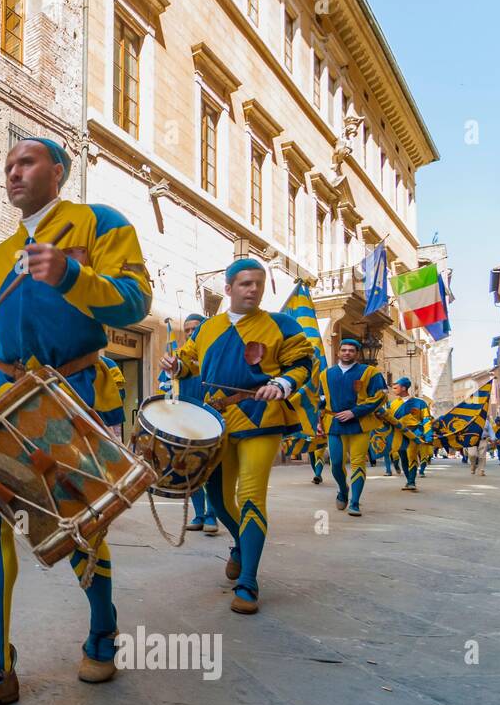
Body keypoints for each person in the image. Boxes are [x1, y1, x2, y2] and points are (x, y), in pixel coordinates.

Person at [0, 136, 152, 705]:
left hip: (70, 392)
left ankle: (102, 629)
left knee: (79, 522)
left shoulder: (100, 223)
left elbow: (135, 302)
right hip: (5, 402)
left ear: (60, 170)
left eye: (25, 162)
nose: (12, 173)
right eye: (6, 166)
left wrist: (72, 275)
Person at [162, 257, 315, 614]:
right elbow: (190, 361)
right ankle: (241, 546)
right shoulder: (207, 328)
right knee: (217, 498)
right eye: (245, 283)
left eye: (259, 283)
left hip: (262, 417)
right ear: (228, 289)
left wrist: (283, 382)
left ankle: (248, 581)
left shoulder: (282, 324)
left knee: (250, 496)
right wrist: (176, 365)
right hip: (215, 420)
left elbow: (303, 363)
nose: (254, 289)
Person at [161, 313, 219, 534]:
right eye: (186, 330)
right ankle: (199, 515)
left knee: (211, 469)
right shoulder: (178, 357)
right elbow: (167, 386)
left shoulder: (212, 355)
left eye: (195, 328)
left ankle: (213, 516)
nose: (190, 333)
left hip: (211, 417)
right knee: (191, 470)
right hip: (185, 417)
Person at [320, 337, 386, 516]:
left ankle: (355, 502)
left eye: (351, 350)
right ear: (338, 352)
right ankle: (343, 489)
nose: (347, 353)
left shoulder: (370, 372)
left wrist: (354, 412)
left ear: (357, 354)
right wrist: (318, 421)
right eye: (344, 350)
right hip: (334, 424)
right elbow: (320, 399)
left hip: (359, 424)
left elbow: (379, 396)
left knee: (358, 463)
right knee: (335, 464)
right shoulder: (325, 374)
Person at [383, 378, 432, 492]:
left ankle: (411, 482)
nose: (393, 390)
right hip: (399, 435)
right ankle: (408, 480)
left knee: (411, 456)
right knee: (403, 458)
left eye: (396, 387)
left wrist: (428, 435)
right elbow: (388, 420)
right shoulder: (392, 404)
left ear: (404, 388)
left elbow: (426, 419)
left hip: (414, 433)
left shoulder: (420, 403)